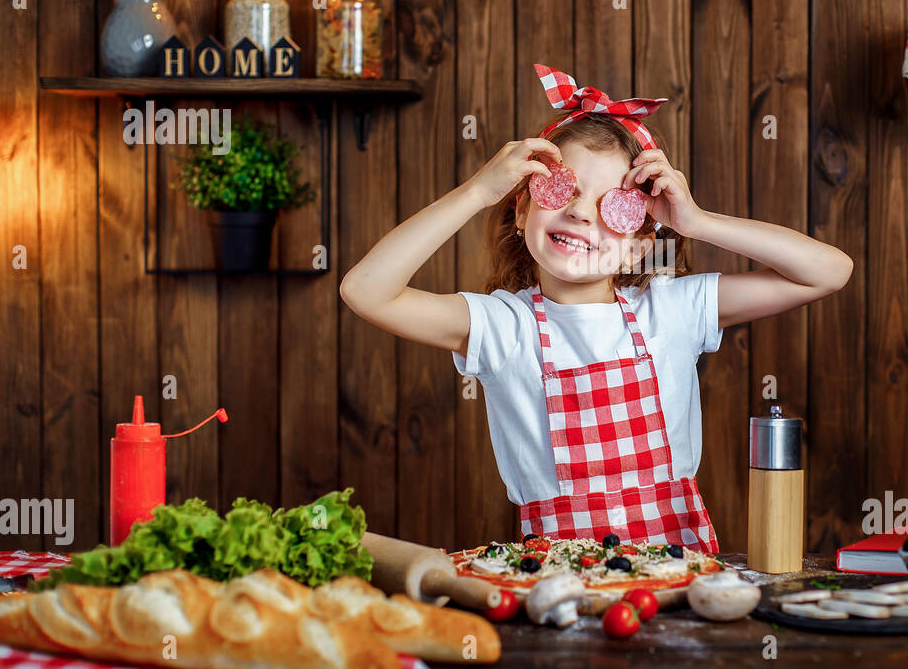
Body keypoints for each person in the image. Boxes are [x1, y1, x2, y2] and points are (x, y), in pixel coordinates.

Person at [340, 64, 853, 552]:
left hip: (678, 578)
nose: (581, 214)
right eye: (561, 189)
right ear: (521, 210)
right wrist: (476, 192)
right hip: (557, 577)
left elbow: (828, 270)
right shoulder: (502, 327)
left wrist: (697, 222)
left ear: (639, 245)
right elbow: (365, 290)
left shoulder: (672, 310)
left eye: (613, 206)